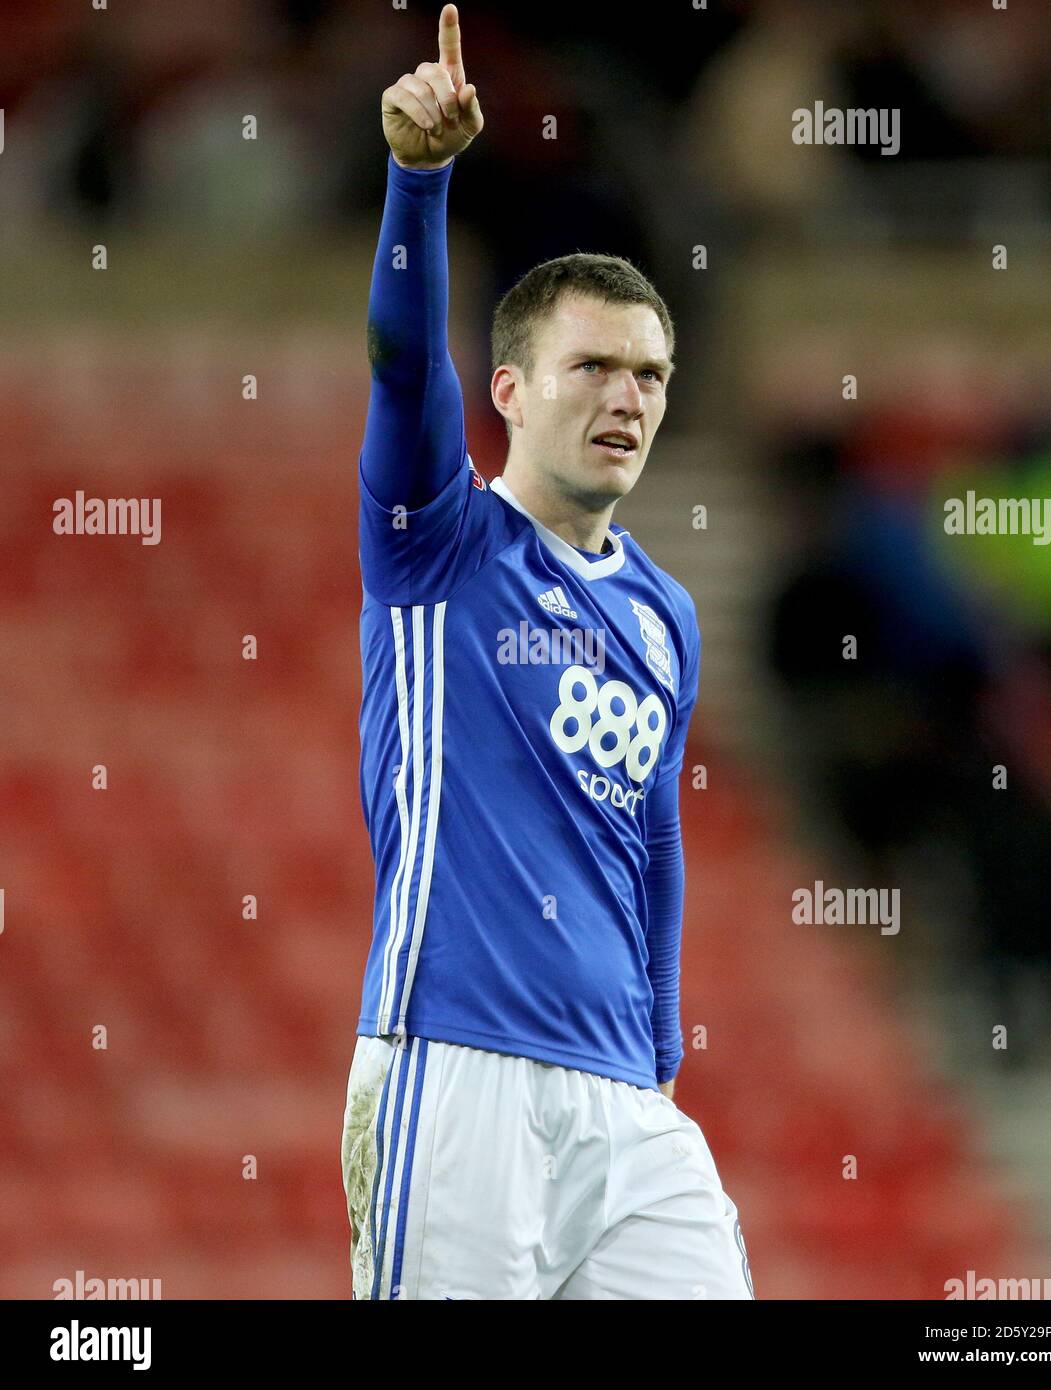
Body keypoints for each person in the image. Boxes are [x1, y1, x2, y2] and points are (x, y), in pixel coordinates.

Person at [341, 3, 754, 1301]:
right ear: (510, 390)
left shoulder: (665, 615)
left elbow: (653, 835)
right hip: (457, 1066)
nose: (627, 397)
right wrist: (419, 182)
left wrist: (659, 1041)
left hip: (624, 1103)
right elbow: (402, 365)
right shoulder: (437, 539)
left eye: (651, 374)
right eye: (594, 366)